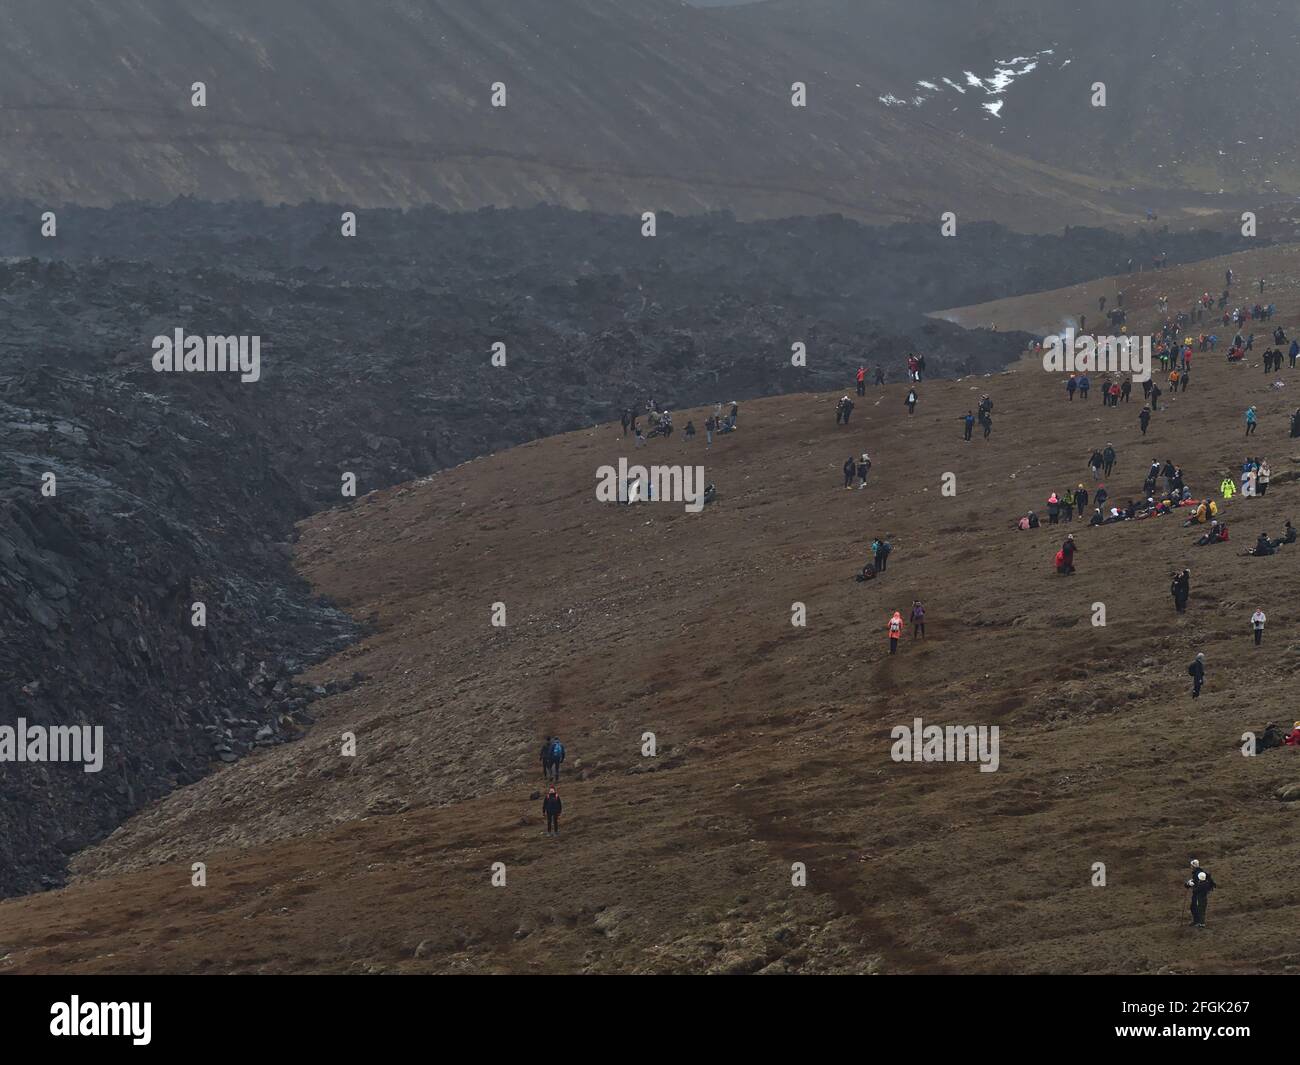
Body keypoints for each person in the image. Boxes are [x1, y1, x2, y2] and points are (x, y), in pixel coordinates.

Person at [1185, 860, 1216, 928]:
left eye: (1191, 866)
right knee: (1194, 907)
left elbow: (1198, 885)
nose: (1190, 867)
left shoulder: (1198, 873)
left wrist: (1189, 885)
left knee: (1196, 908)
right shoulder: (1198, 872)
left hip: (1198, 894)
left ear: (1193, 866)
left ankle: (1199, 922)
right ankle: (1197, 921)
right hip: (1199, 893)